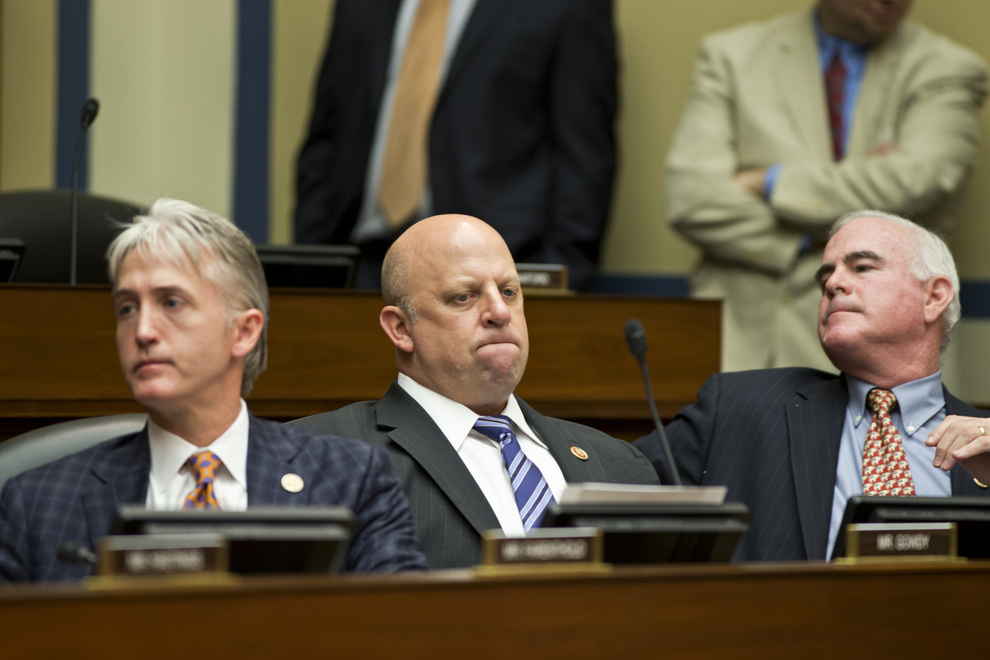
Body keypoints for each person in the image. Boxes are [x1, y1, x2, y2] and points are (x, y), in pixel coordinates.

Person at [0, 199, 427, 582]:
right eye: (127, 307)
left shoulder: (351, 480)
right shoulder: (36, 503)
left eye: (171, 302)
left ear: (243, 332)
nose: (143, 330)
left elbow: (401, 634)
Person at [291, 214, 658, 568]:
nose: (499, 311)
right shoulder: (319, 457)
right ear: (401, 328)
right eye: (463, 297)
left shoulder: (622, 466)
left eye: (509, 291)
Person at [635, 210, 990, 562]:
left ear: (933, 297)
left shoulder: (984, 444)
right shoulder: (738, 407)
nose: (833, 284)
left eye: (862, 267)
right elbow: (616, 478)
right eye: (826, 279)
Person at [665, 0, 988, 372]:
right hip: (744, 347)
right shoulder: (732, 56)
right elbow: (690, 199)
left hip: (890, 361)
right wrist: (814, 238)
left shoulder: (947, 67)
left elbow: (919, 181)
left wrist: (770, 181)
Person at [294, 0, 617, 291]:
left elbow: (584, 158)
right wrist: (314, 260)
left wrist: (555, 279)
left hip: (495, 278)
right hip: (359, 270)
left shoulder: (568, 7)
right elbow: (327, 136)